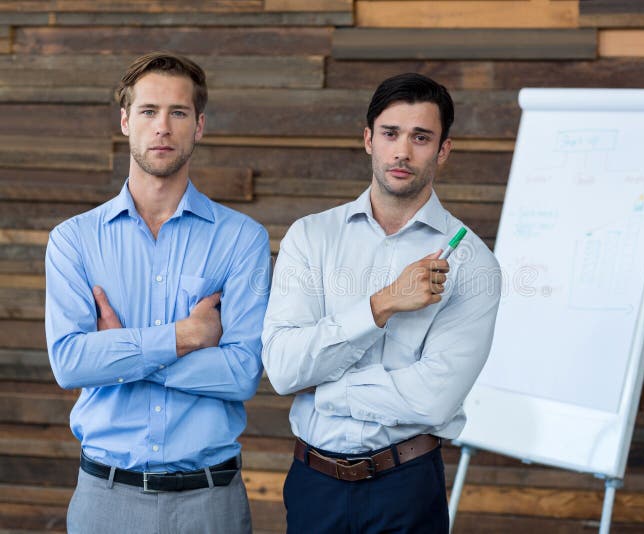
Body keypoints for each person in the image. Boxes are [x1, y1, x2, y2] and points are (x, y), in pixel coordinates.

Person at [262, 73, 502, 533]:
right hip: (314, 485)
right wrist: (384, 303)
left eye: (421, 137)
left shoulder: (473, 263)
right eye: (391, 134)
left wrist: (328, 393)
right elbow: (286, 369)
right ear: (368, 139)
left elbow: (434, 400)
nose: (403, 152)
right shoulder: (311, 238)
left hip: (407, 487)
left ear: (443, 150)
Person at [45, 52, 270, 534]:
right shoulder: (74, 239)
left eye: (178, 112)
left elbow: (242, 373)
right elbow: (70, 362)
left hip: (210, 503)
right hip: (105, 499)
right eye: (148, 111)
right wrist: (184, 337)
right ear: (126, 121)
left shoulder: (241, 239)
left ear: (200, 125)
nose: (162, 127)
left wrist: (123, 351)